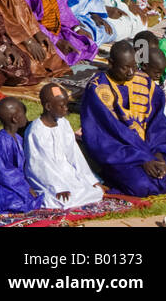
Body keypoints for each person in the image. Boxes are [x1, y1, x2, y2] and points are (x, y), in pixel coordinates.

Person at [80, 40, 166, 196]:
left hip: (151, 149)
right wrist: (143, 159)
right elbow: (103, 137)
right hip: (122, 156)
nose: (131, 73)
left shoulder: (145, 83)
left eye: (134, 67)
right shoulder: (98, 88)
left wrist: (159, 154)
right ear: (111, 63)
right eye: (125, 67)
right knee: (143, 186)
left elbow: (158, 124)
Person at [25, 81, 107, 210]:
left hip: (67, 172)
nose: (66, 109)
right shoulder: (36, 131)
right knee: (59, 201)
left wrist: (91, 180)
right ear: (48, 106)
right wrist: (58, 187)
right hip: (47, 178)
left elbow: (74, 155)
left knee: (95, 191)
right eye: (62, 106)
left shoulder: (64, 123)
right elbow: (39, 164)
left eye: (67, 105)